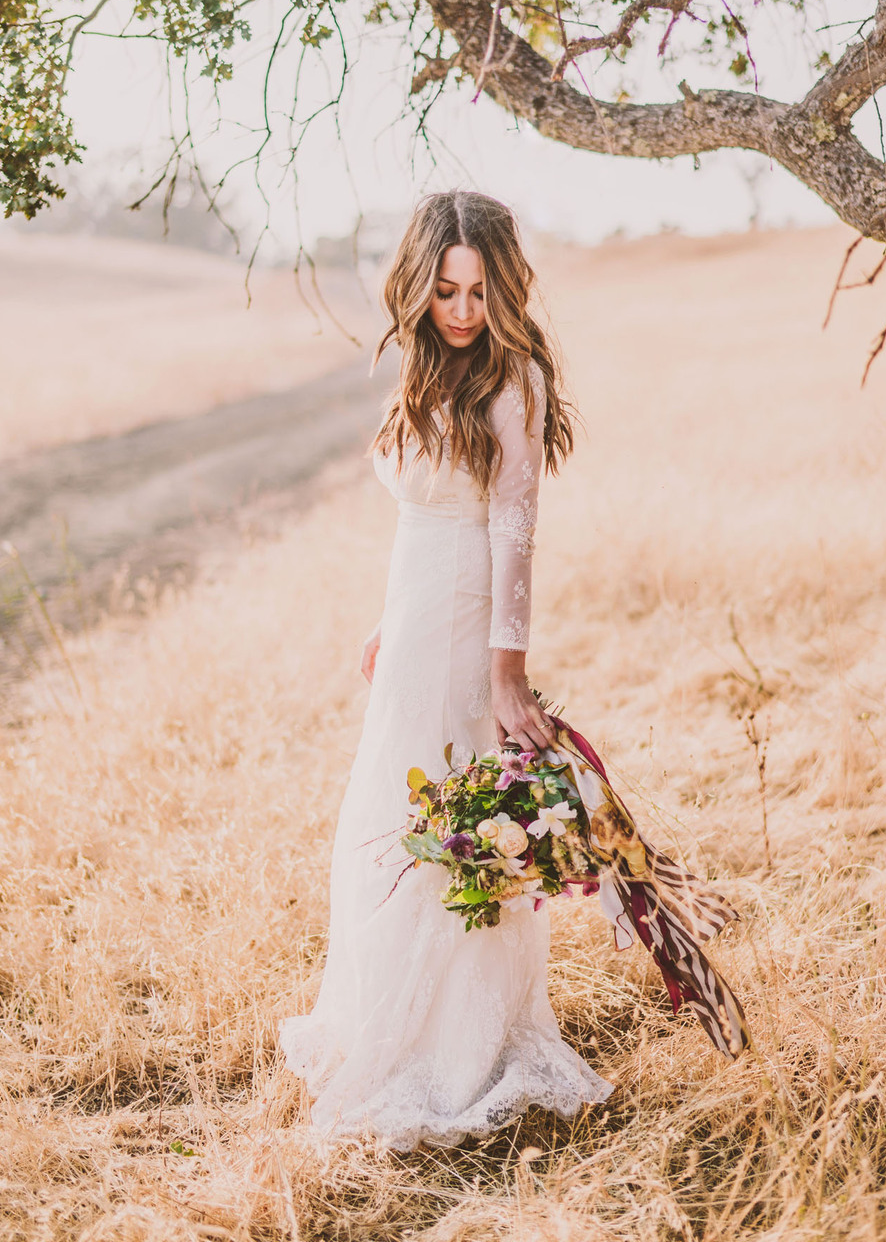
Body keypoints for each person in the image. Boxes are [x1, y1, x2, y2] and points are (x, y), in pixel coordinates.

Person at [280, 190, 613, 1149]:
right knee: (391, 817)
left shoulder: (514, 378)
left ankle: (459, 1050)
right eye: (446, 290)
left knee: (454, 829)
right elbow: (422, 518)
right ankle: (382, 1022)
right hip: (417, 625)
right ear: (418, 286)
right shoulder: (427, 366)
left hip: (471, 633)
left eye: (478, 291)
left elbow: (511, 532)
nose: (463, 310)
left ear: (504, 289)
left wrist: (508, 675)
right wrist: (390, 622)